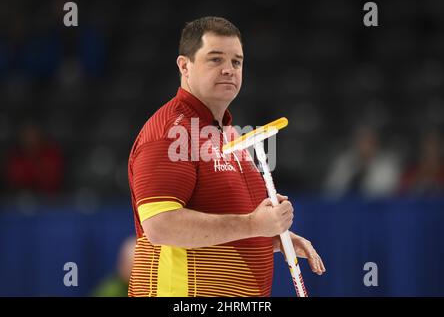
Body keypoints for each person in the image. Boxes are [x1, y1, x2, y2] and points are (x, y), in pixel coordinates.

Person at [127, 16, 325, 297]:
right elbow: (161, 225)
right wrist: (254, 224)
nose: (229, 70)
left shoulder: (228, 135)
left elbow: (225, 220)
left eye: (236, 62)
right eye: (215, 59)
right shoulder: (170, 132)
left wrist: (271, 235)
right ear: (184, 65)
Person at [323, 126, 401, 198]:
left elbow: (387, 192)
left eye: (368, 141)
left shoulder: (387, 164)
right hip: (345, 208)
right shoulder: (343, 162)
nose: (364, 146)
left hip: (378, 210)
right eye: (361, 141)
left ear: (376, 143)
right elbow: (330, 190)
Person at [399, 130, 444, 196]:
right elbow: (400, 195)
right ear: (422, 148)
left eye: (435, 146)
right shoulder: (411, 173)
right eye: (428, 145)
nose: (431, 150)